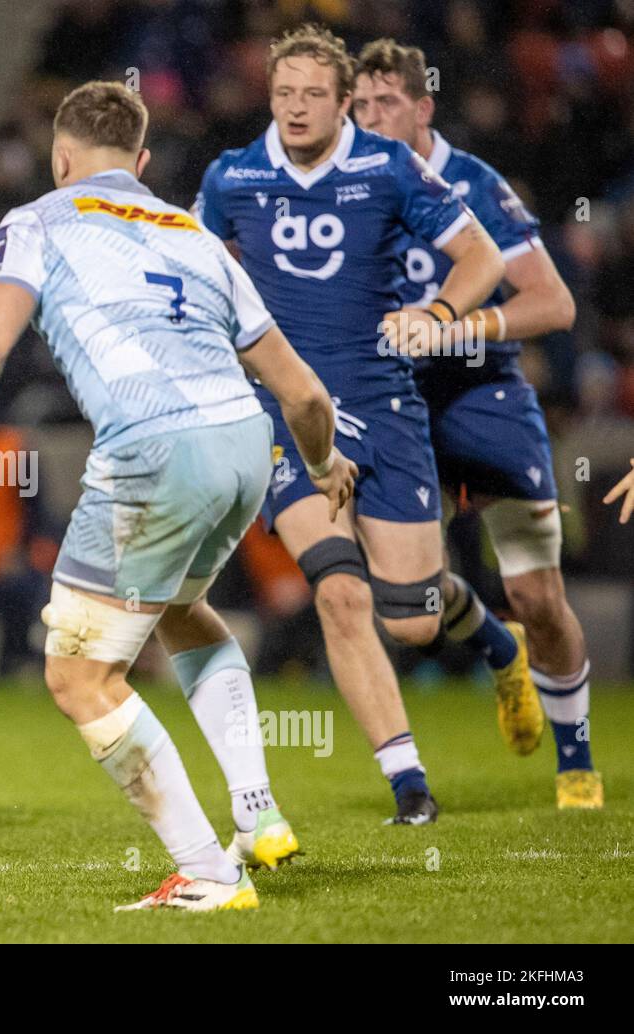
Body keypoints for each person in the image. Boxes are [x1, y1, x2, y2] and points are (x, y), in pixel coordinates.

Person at [0, 81, 353, 911]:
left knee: (79, 678)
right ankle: (258, 812)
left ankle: (208, 872)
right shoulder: (197, 234)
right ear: (139, 163)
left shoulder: (37, 220)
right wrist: (321, 468)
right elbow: (306, 395)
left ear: (62, 160)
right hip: (247, 445)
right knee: (182, 609)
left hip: (154, 450)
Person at [195, 23, 505, 824]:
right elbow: (192, 269)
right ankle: (410, 784)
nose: (296, 109)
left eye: (313, 96)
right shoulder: (231, 177)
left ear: (344, 106)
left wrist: (437, 312)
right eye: (283, 93)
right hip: (285, 408)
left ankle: (494, 640)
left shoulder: (387, 166)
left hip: (382, 399)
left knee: (412, 620)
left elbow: (484, 259)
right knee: (338, 590)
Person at [353, 38, 600, 810]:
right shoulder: (350, 186)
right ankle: (498, 649)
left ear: (424, 108)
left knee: (536, 591)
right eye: (358, 104)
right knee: (410, 596)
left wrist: (451, 326)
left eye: (384, 102)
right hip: (391, 401)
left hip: (483, 395)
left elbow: (553, 304)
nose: (368, 117)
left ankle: (575, 761)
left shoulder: (474, 184)